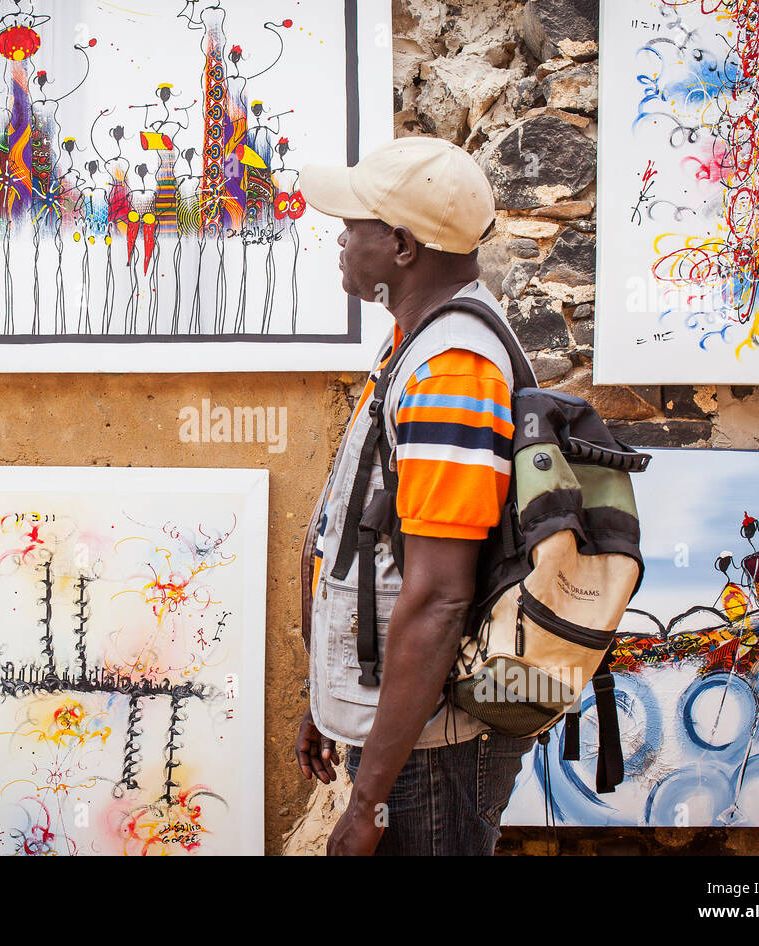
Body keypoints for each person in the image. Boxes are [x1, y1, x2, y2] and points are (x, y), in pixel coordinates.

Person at [294, 136, 535, 856]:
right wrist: (332, 703)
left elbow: (438, 599)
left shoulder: (452, 368)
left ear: (401, 246)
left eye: (353, 224)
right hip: (406, 735)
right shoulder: (418, 342)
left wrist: (365, 804)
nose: (341, 240)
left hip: (434, 755)